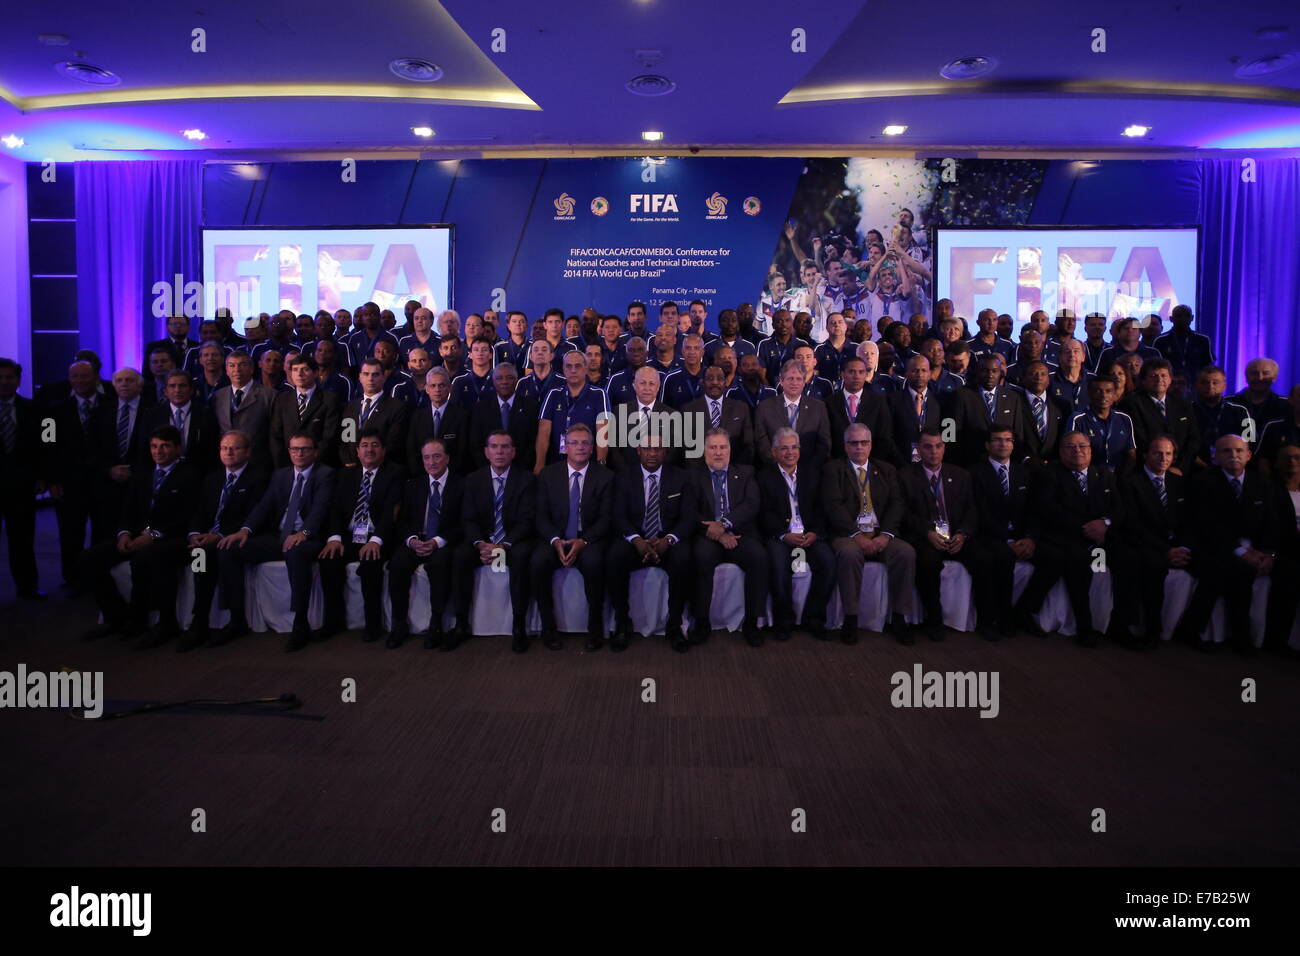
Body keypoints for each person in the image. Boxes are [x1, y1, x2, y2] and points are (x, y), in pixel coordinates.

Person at [78, 426, 200, 648]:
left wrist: (153, 535)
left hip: (171, 538)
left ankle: (157, 623)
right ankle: (116, 617)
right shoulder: (143, 474)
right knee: (89, 559)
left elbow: (186, 518)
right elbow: (128, 510)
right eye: (154, 446)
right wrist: (123, 533)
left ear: (177, 448)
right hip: (136, 536)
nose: (158, 452)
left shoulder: (190, 475)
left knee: (146, 557)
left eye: (165, 446)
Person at [216, 431, 336, 652]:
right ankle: (237, 620)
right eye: (294, 449)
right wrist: (245, 530)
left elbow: (321, 508)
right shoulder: (280, 475)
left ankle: (300, 624)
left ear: (315, 452)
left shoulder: (325, 474)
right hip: (278, 536)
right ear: (289, 452)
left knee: (296, 553)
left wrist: (305, 533)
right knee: (228, 550)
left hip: (309, 538)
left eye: (305, 449)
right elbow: (264, 506)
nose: (299, 453)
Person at [1173, 434, 1278, 656]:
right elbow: (1208, 526)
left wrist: (1268, 553)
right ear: (1216, 456)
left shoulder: (1263, 483)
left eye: (1239, 451)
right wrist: (1242, 552)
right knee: (1227, 569)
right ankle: (1238, 637)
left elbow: (1271, 522)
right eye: (1226, 451)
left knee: (1243, 569)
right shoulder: (1202, 482)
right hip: (1210, 546)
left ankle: (1196, 630)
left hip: (1253, 548)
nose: (1234, 455)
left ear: (1249, 455)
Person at [1033, 430, 1137, 647]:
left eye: (1082, 446)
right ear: (1061, 452)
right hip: (1069, 537)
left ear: (1091, 450)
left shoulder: (1105, 474)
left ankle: (1120, 625)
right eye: (1070, 447)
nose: (1077, 451)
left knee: (1128, 560)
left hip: (1103, 536)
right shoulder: (1050, 473)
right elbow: (1048, 509)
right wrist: (1087, 527)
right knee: (1077, 563)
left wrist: (1105, 524)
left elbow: (1119, 509)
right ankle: (1085, 627)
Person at [822, 423, 915, 643]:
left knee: (906, 552)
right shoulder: (833, 469)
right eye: (853, 443)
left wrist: (887, 535)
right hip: (848, 534)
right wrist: (857, 535)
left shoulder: (886, 470)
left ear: (871, 445)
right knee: (850, 554)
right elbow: (833, 506)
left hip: (880, 532)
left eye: (864, 443)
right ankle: (851, 618)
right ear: (845, 447)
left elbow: (896, 504)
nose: (859, 448)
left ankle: (900, 617)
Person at [180, 429, 270, 650]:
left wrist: (219, 535)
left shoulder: (259, 478)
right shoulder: (212, 478)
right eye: (224, 448)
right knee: (198, 553)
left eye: (235, 448)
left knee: (219, 552)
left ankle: (233, 619)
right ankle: (199, 621)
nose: (228, 452)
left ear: (248, 452)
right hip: (207, 539)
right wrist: (194, 534)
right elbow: (199, 512)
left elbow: (254, 514)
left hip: (240, 536)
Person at [314, 428, 406, 645]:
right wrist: (334, 538)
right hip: (350, 535)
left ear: (383, 450)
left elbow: (391, 512)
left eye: (375, 445)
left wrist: (375, 541)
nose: (369, 450)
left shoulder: (396, 473)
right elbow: (335, 509)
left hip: (379, 536)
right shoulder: (345, 474)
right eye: (364, 445)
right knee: (328, 560)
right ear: (357, 451)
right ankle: (332, 621)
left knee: (371, 562)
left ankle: (373, 624)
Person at [528, 423, 614, 651]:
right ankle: (548, 628)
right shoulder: (548, 474)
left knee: (595, 564)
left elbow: (606, 519)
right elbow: (540, 516)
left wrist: (583, 542)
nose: (580, 447)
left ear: (593, 448)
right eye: (574, 442)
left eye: (585, 443)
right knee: (537, 563)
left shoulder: (605, 477)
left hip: (588, 539)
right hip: (555, 539)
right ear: (565, 446)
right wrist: (555, 541)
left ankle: (595, 629)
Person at [607, 436, 695, 652]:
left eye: (658, 449)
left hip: (668, 539)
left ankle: (674, 626)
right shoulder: (623, 478)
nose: (652, 453)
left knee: (684, 559)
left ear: (666, 451)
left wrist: (668, 540)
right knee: (614, 558)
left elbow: (688, 518)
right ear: (638, 451)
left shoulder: (682, 478)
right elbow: (618, 516)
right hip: (635, 539)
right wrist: (637, 541)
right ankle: (621, 623)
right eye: (647, 448)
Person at [897, 428, 986, 642]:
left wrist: (963, 534)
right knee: (927, 562)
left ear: (944, 448)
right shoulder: (905, 476)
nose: (933, 452)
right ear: (918, 450)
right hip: (925, 537)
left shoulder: (961, 475)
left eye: (938, 446)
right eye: (927, 447)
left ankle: (985, 620)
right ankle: (934, 620)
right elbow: (903, 514)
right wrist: (927, 532)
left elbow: (971, 511)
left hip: (956, 536)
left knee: (984, 559)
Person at [970, 424, 1058, 639]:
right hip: (989, 536)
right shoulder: (974, 473)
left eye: (1008, 440)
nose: (1003, 444)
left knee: (1055, 557)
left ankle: (1025, 611)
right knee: (1001, 556)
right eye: (997, 440)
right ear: (987, 445)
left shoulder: (1025, 473)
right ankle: (994, 619)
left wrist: (1029, 538)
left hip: (1021, 536)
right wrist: (1005, 540)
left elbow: (1035, 510)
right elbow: (978, 512)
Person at [456, 430, 537, 653]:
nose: (499, 451)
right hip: (483, 542)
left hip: (512, 542)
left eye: (504, 447)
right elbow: (468, 518)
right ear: (486, 452)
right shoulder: (473, 480)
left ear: (513, 452)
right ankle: (461, 624)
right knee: (460, 557)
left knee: (522, 557)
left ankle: (519, 625)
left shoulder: (526, 479)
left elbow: (526, 521)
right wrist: (481, 544)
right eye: (494, 447)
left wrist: (503, 546)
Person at [688, 429, 768, 646]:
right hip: (708, 536)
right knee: (700, 558)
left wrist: (724, 525)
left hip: (739, 532)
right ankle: (701, 622)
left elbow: (751, 505)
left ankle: (752, 623)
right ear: (704, 451)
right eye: (713, 447)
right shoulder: (693, 475)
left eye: (723, 447)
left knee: (759, 557)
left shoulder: (745, 473)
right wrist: (718, 533)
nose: (718, 452)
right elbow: (690, 512)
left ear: (730, 451)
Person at [758, 428, 836, 641]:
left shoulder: (812, 473)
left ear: (800, 450)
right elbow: (764, 512)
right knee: (778, 564)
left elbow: (822, 507)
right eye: (784, 448)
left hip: (809, 534)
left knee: (828, 562)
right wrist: (783, 535)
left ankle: (814, 618)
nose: (790, 452)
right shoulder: (764, 476)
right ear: (774, 452)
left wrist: (815, 532)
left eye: (794, 447)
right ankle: (784, 621)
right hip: (781, 536)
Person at [388, 438, 465, 650]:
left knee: (440, 565)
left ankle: (436, 623)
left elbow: (464, 523)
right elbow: (402, 521)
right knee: (397, 563)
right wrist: (411, 540)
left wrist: (437, 541)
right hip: (417, 541)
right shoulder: (414, 485)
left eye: (437, 456)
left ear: (447, 458)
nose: (432, 462)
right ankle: (399, 623)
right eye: (427, 457)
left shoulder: (462, 484)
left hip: (443, 542)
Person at [1119, 434, 1192, 648]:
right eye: (1157, 453)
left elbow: (1190, 521)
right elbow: (1132, 525)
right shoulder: (1130, 483)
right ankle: (1151, 628)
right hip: (1145, 545)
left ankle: (1190, 630)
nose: (1163, 458)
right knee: (1153, 566)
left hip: (1178, 546)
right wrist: (1166, 551)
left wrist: (1183, 548)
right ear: (1145, 455)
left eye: (1168, 454)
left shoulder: (1180, 483)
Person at [48, 360, 112, 582]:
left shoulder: (111, 405)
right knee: (70, 534)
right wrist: (52, 480)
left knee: (102, 533)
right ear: (69, 379)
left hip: (103, 482)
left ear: (96, 378)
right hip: (69, 483)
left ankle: (98, 578)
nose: (80, 381)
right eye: (75, 376)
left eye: (85, 376)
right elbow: (49, 447)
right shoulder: (54, 410)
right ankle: (73, 579)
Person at [0, 358, 46, 599]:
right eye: (1, 377)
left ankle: (27, 588)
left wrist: (43, 476)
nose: (5, 382)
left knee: (22, 540)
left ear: (18, 380)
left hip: (23, 484)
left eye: (10, 377)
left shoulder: (35, 410)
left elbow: (48, 443)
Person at [91, 368, 148, 540]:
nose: (124, 384)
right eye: (119, 380)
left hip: (140, 483)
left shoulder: (154, 409)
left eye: (129, 380)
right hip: (107, 486)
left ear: (139, 386)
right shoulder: (100, 411)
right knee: (105, 536)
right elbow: (92, 449)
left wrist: (135, 470)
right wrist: (109, 469)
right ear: (114, 385)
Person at [1120, 358, 1200, 475]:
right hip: (1146, 471)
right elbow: (1139, 440)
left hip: (1181, 471)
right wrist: (1161, 467)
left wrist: (1181, 468)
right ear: (1143, 380)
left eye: (1164, 375)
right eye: (1153, 376)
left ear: (1170, 379)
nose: (1159, 380)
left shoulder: (1183, 404)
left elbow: (1193, 439)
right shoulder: (1131, 404)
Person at [949, 353, 1028, 467]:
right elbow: (950, 432)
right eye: (985, 370)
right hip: (970, 463)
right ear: (977, 371)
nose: (990, 375)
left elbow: (1018, 434)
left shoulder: (1012, 397)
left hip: (1004, 464)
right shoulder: (961, 395)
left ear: (1001, 373)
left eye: (994, 371)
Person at [535, 350, 610, 469]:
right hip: (556, 464)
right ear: (563, 370)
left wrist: (600, 466)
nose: (573, 370)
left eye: (578, 366)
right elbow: (543, 433)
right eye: (569, 366)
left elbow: (603, 435)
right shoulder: (553, 394)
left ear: (586, 369)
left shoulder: (599, 394)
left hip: (588, 465)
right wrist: (539, 465)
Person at [754, 360, 832, 468]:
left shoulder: (818, 407)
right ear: (781, 381)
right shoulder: (765, 407)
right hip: (774, 470)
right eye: (790, 379)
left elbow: (824, 443)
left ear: (804, 382)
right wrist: (780, 466)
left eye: (799, 379)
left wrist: (810, 467)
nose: (794, 383)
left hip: (810, 471)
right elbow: (761, 441)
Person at [137, 370, 219, 472]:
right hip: (162, 473)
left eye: (182, 386)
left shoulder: (206, 414)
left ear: (191, 390)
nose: (177, 390)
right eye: (172, 386)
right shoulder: (152, 415)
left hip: (197, 474)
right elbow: (144, 449)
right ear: (165, 391)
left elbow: (212, 449)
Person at [269, 355, 343, 469]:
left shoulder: (330, 399)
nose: (299, 374)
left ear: (315, 373)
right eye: (295, 369)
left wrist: (308, 463)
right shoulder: (281, 399)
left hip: (319, 466)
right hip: (287, 467)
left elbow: (330, 437)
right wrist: (284, 465)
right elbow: (275, 435)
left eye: (305, 369)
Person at [468, 363, 538, 473]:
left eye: (509, 378)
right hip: (488, 473)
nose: (504, 382)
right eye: (499, 378)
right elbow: (475, 444)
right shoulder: (481, 408)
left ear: (516, 380)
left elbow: (532, 443)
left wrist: (520, 471)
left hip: (522, 472)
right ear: (493, 381)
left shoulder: (531, 406)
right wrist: (491, 470)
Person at [1264, 442, 1300, 656]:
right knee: (1290, 576)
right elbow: (1269, 525)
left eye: (1297, 457)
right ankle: (1278, 642)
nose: (1292, 462)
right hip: (1284, 549)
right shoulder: (1269, 488)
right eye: (1287, 458)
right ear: (1277, 463)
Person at [211, 351, 275, 471]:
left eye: (242, 365)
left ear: (251, 368)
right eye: (232, 365)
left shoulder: (269, 395)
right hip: (225, 465)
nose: (237, 369)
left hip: (257, 463)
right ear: (226, 370)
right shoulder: (217, 396)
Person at [339, 358, 409, 468]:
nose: (370, 379)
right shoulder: (350, 407)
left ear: (383, 377)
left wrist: (368, 462)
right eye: (366, 374)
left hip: (382, 468)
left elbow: (393, 443)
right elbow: (346, 439)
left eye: (375, 374)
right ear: (360, 377)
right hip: (352, 469)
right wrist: (348, 461)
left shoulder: (396, 407)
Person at [827, 355, 896, 464]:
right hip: (838, 466)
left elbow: (884, 437)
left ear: (865, 374)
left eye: (861, 372)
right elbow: (827, 439)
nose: (856, 376)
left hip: (871, 465)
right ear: (843, 375)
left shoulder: (878, 402)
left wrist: (870, 464)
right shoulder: (829, 403)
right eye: (852, 372)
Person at [406, 367, 469, 474]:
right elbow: (412, 451)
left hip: (453, 477)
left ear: (450, 388)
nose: (437, 390)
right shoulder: (417, 417)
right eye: (433, 386)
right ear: (426, 389)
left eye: (442, 385)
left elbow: (462, 452)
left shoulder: (462, 416)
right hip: (423, 477)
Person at [1068, 376, 1136, 473]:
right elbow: (1071, 454)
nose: (1103, 395)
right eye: (1098, 391)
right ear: (1089, 394)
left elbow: (1131, 453)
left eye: (1108, 391)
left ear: (1114, 394)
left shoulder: (1125, 418)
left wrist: (1124, 478)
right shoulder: (1078, 419)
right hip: (1089, 477)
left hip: (1119, 477)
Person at [1190, 365, 1251, 470]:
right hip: (1194, 466)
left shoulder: (1241, 410)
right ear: (1196, 385)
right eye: (1204, 382)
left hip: (1234, 466)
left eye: (1215, 382)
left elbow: (1251, 439)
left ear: (1224, 386)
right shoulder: (1186, 410)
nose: (1210, 386)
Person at [887, 355, 944, 464]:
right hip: (900, 463)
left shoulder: (941, 401)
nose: (920, 374)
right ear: (906, 374)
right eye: (915, 371)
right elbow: (888, 435)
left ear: (930, 374)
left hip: (934, 461)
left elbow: (949, 433)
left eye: (924, 370)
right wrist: (900, 462)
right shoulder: (892, 400)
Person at [1232, 358, 1291, 444]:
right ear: (1246, 376)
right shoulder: (1229, 403)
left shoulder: (1286, 405)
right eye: (1254, 373)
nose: (1260, 378)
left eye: (1265, 373)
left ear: (1274, 378)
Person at [1153, 304, 1214, 386]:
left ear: (1192, 318)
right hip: (1168, 384)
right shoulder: (1160, 340)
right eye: (1179, 316)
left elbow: (1208, 366)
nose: (1183, 319)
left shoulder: (1203, 340)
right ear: (1171, 319)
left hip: (1195, 385)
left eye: (1187, 316)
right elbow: (1155, 366)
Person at [661, 334, 706, 408]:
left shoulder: (710, 376)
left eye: (696, 348)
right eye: (688, 348)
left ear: (702, 352)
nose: (692, 352)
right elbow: (662, 410)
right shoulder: (670, 378)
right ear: (682, 351)